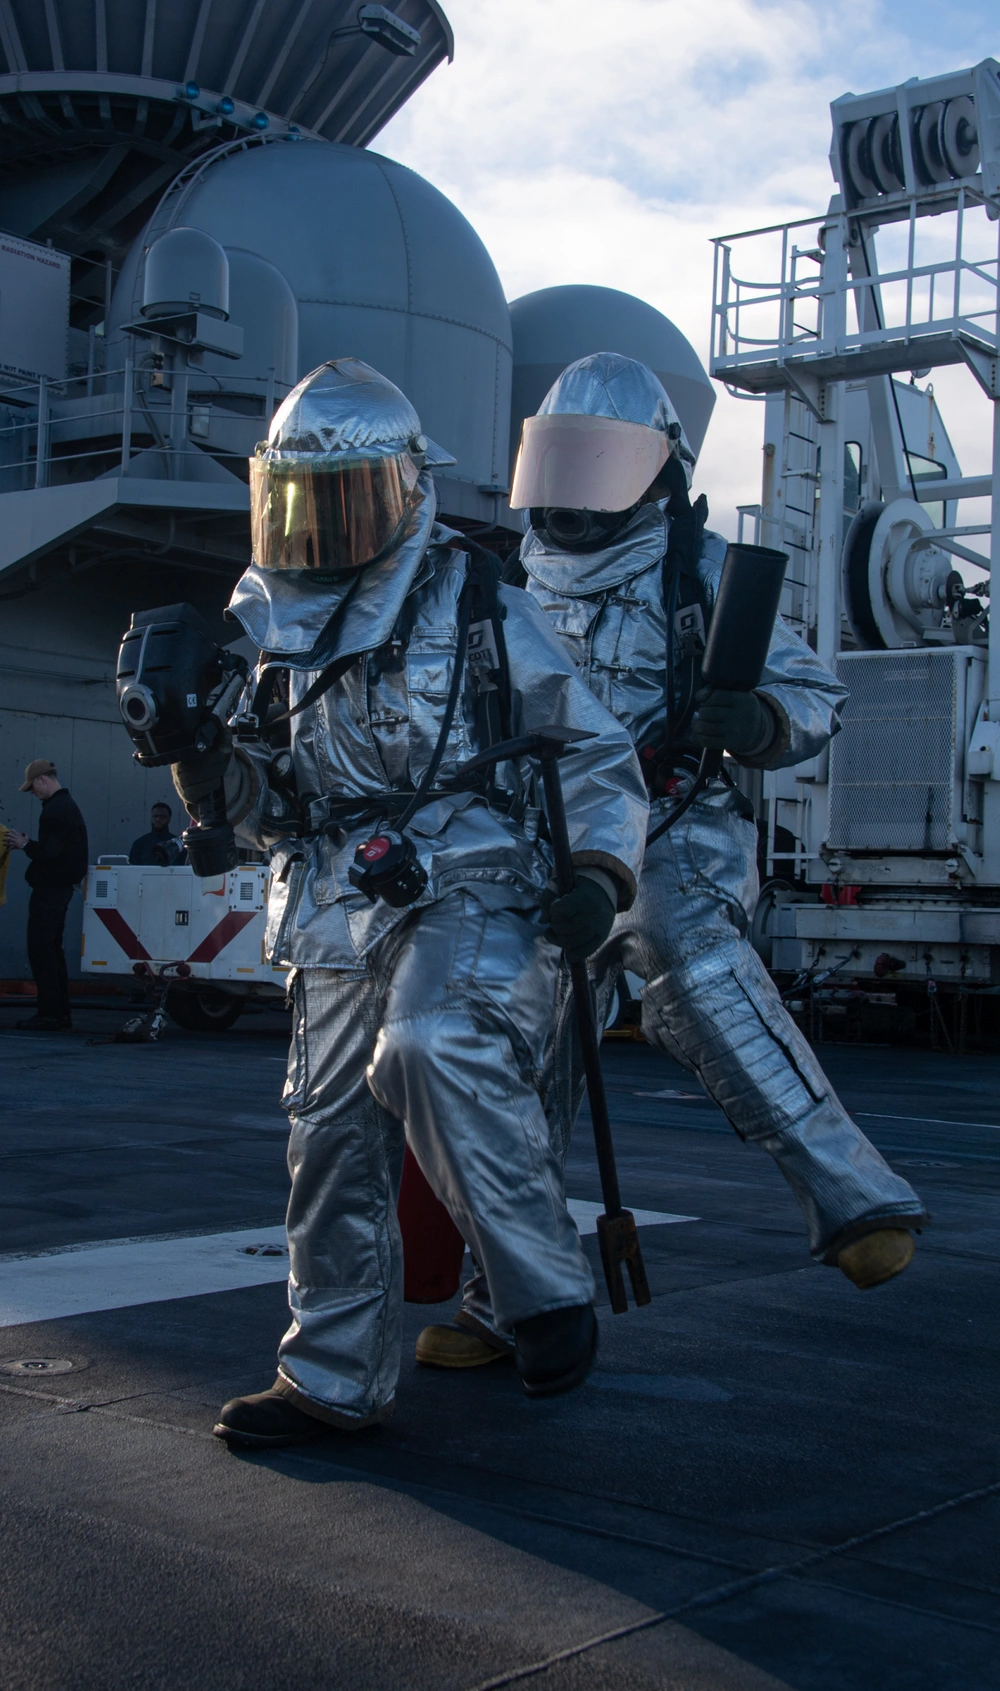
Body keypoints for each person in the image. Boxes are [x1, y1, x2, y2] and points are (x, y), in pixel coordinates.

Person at [416, 352, 927, 1371]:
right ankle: (504, 1293)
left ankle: (854, 1194)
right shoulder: (506, 584)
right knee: (510, 1054)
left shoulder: (700, 575)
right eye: (563, 460)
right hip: (551, 849)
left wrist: (761, 714)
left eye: (601, 462)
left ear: (659, 475)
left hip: (675, 822)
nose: (576, 489)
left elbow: (815, 696)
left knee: (687, 956)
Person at [170, 358, 648, 1448]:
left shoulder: (476, 598)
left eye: (343, 500)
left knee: (429, 1042)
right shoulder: (266, 635)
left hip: (470, 867)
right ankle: (331, 1377)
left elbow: (591, 747)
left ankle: (539, 1286)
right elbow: (263, 808)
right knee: (328, 1141)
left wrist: (598, 873)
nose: (319, 528)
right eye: (297, 501)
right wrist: (198, 761)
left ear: (402, 491)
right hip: (333, 892)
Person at [6, 759, 88, 1032]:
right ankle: (59, 1013)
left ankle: (49, 1014)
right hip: (61, 889)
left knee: (41, 950)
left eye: (32, 787)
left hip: (50, 891)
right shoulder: (68, 807)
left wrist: (25, 844)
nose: (33, 793)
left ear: (42, 780)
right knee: (53, 951)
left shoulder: (55, 810)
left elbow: (51, 853)